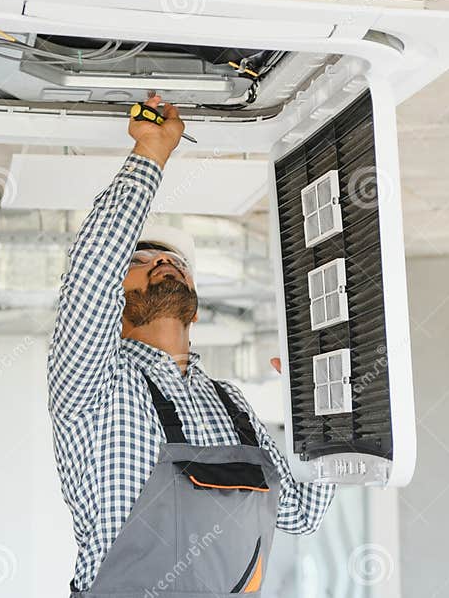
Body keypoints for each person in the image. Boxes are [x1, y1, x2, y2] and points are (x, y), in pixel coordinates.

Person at [47, 95, 336, 597]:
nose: (164, 261)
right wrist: (151, 155)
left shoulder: (232, 404)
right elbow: (89, 272)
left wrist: (314, 408)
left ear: (195, 306)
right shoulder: (93, 388)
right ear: (109, 296)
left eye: (174, 259)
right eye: (140, 257)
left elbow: (301, 514)